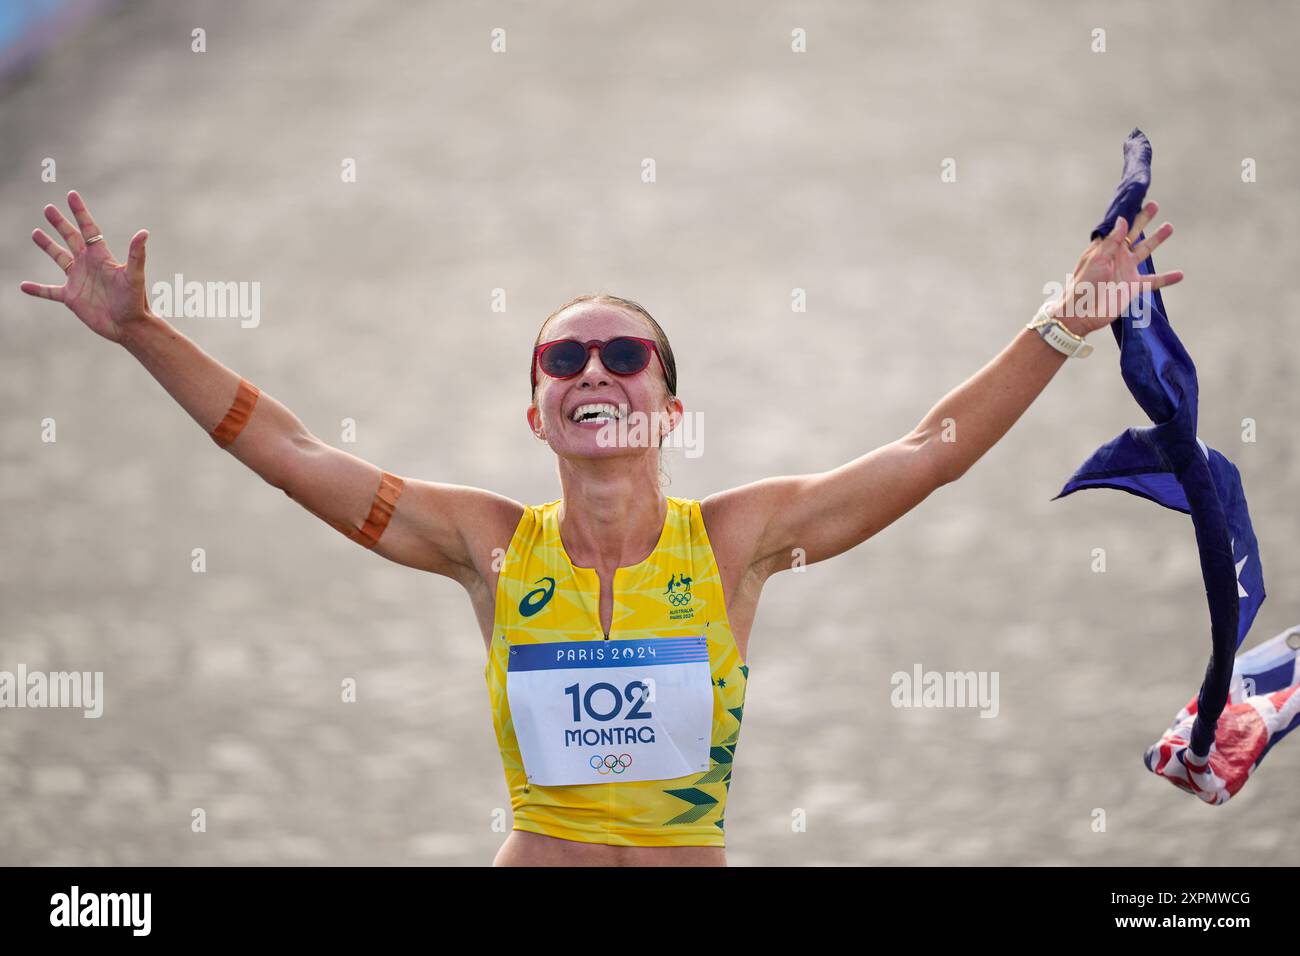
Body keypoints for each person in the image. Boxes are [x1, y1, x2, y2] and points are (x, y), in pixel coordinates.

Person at [20, 191, 1183, 867]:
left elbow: (931, 450)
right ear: (534, 411)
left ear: (668, 407)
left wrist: (1066, 321)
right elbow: (292, 452)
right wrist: (141, 332)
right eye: (562, 357)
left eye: (623, 354)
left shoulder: (738, 539)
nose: (593, 368)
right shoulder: (484, 544)